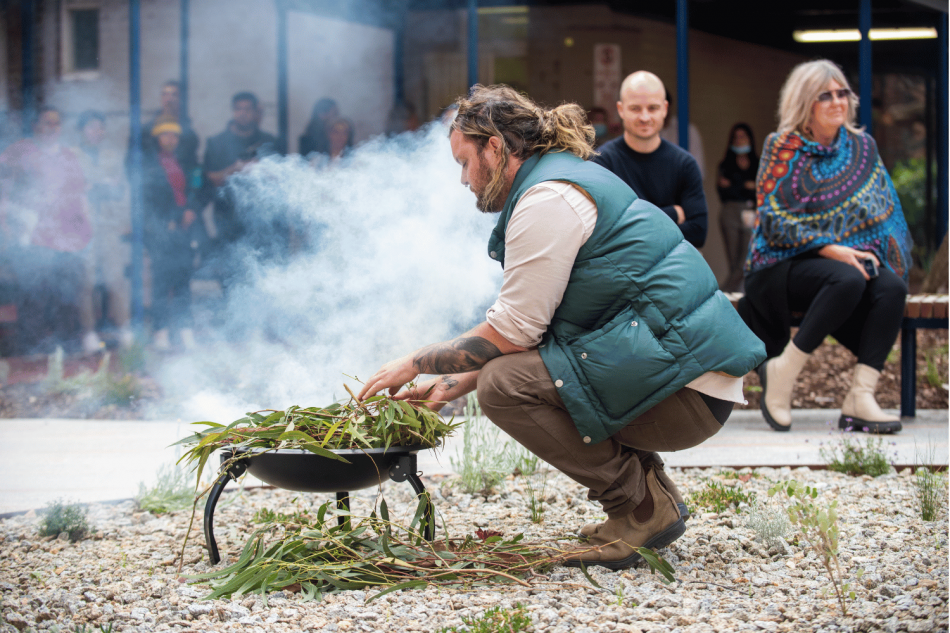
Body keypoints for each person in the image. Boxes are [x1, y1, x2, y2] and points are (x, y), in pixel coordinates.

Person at [357, 84, 764, 570]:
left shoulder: (545, 200)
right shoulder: (560, 180)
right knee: (517, 373)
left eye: (464, 163)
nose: (463, 180)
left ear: (495, 147)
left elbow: (512, 336)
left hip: (686, 392)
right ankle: (652, 499)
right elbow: (527, 326)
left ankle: (639, 507)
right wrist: (443, 386)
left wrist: (416, 362)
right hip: (685, 373)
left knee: (504, 388)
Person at [739, 59, 912, 435]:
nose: (838, 102)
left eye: (842, 93)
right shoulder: (782, 147)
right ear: (805, 103)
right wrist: (828, 247)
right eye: (825, 96)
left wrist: (857, 251)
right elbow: (771, 220)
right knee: (848, 279)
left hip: (846, 259)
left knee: (891, 287)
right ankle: (781, 374)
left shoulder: (862, 147)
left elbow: (879, 211)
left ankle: (860, 397)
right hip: (778, 263)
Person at [0, 106, 100, 355]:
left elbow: (80, 194)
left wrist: (87, 228)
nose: (52, 128)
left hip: (68, 237)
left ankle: (67, 344)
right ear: (35, 126)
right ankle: (33, 347)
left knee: (67, 293)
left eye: (56, 123)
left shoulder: (68, 156)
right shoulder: (19, 152)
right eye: (47, 123)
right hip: (32, 235)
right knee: (34, 293)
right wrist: (6, 222)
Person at [592, 71, 708, 248]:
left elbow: (698, 232)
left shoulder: (685, 164)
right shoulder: (602, 163)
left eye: (652, 108)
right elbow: (603, 232)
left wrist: (630, 226)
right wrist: (673, 213)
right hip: (621, 273)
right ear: (621, 110)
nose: (644, 117)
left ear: (665, 109)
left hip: (670, 274)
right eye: (635, 108)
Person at [201, 91, 279, 284]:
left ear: (255, 112)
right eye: (238, 109)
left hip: (261, 223)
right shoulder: (216, 143)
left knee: (262, 283)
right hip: (228, 221)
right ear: (233, 111)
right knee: (231, 281)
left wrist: (260, 170)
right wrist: (234, 170)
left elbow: (279, 177)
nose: (243, 113)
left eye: (247, 109)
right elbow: (210, 178)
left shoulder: (270, 141)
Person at [74, 110, 133, 348]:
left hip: (109, 224)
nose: (96, 132)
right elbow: (76, 188)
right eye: (91, 127)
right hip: (82, 226)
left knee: (115, 278)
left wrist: (123, 220)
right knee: (86, 281)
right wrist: (98, 186)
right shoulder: (72, 156)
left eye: (100, 127)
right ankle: (88, 331)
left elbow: (121, 189)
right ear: (81, 130)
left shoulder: (113, 156)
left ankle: (124, 327)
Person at [143, 119, 202, 351]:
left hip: (184, 231)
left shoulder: (187, 163)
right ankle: (161, 332)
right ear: (157, 138)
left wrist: (191, 210)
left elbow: (197, 188)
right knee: (161, 283)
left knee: (183, 281)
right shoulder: (149, 165)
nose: (170, 139)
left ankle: (186, 331)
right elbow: (148, 200)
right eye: (165, 135)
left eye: (174, 135)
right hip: (162, 231)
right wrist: (174, 216)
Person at [716, 123, 759, 292]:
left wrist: (735, 184)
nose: (740, 140)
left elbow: (760, 191)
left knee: (744, 262)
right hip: (730, 212)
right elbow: (723, 192)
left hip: (751, 212)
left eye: (743, 136)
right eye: (736, 137)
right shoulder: (726, 164)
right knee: (734, 263)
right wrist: (747, 185)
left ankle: (722, 294)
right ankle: (736, 298)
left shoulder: (758, 163)